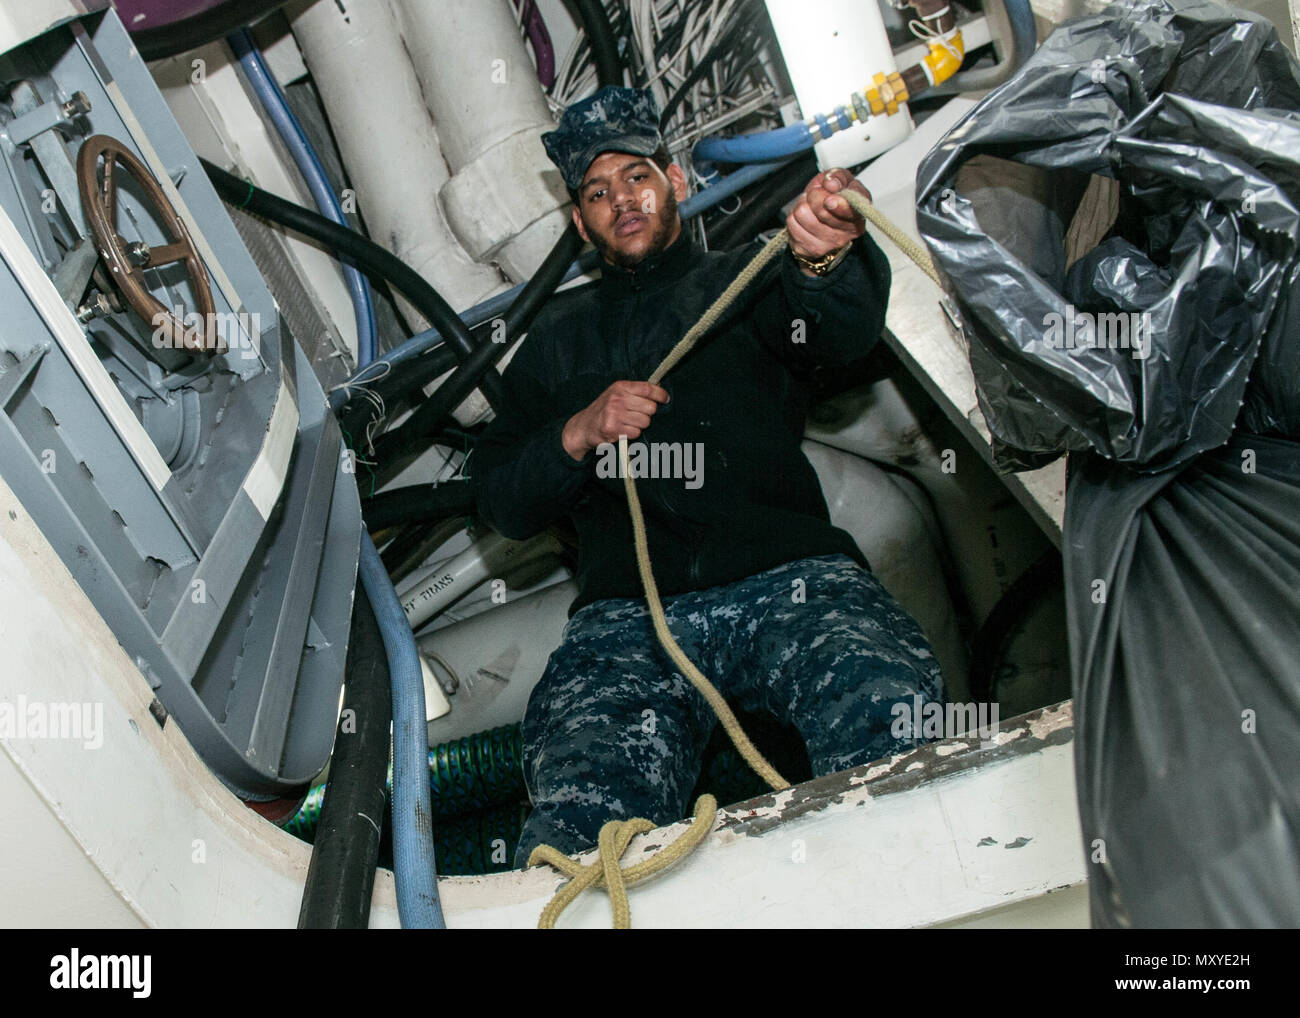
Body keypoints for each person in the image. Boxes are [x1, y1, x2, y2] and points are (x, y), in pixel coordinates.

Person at [473, 86, 943, 868]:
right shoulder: (554, 344)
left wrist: (827, 252)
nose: (621, 200)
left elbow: (839, 333)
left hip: (789, 580)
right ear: (580, 221)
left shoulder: (749, 279)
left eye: (636, 177)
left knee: (885, 714)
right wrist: (579, 431)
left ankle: (916, 877)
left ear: (677, 182)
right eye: (597, 192)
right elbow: (498, 500)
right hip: (630, 622)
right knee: (582, 819)